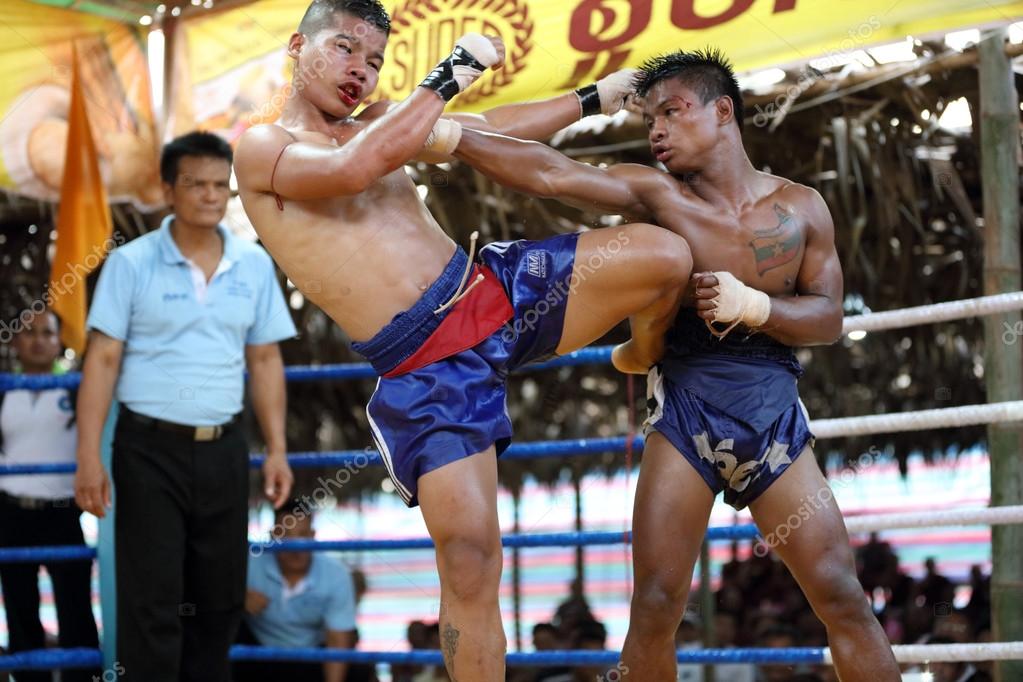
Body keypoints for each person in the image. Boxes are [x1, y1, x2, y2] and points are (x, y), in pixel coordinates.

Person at [233, 1, 694, 679]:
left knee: (665, 255)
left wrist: (594, 97)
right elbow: (350, 171)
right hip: (427, 365)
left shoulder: (385, 121)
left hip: (494, 291)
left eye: (373, 59)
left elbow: (491, 131)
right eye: (344, 49)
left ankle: (645, 353)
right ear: (299, 46)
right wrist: (447, 77)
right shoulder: (262, 147)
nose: (360, 70)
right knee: (472, 560)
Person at [449, 49, 900, 680]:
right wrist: (449, 136)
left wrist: (756, 306)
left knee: (841, 593)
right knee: (657, 606)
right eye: (649, 118)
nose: (657, 129)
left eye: (673, 111)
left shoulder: (801, 208)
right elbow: (549, 172)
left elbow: (827, 319)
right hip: (685, 410)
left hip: (772, 412)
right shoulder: (656, 194)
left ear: (723, 111)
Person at [73, 131, 297, 682]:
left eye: (221, 185)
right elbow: (102, 359)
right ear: (168, 189)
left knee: (220, 597)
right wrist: (88, 457)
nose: (211, 195)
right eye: (196, 184)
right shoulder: (130, 264)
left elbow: (265, 359)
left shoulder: (253, 264)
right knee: (150, 598)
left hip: (224, 449)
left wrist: (277, 450)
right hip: (146, 450)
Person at [0, 310, 100, 682]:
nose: (39, 340)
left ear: (60, 340)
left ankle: (84, 680)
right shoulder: (3, 389)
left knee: (76, 611)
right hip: (12, 513)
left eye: (47, 332)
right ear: (16, 340)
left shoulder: (77, 390)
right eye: (30, 332)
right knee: (20, 612)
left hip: (62, 513)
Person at [236, 501, 357, 682]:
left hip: (311, 657)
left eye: (302, 535)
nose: (295, 547)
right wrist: (238, 598)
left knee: (357, 667)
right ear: (273, 536)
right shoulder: (248, 564)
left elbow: (337, 641)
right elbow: (208, 596)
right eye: (286, 535)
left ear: (313, 536)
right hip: (258, 655)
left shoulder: (335, 575)